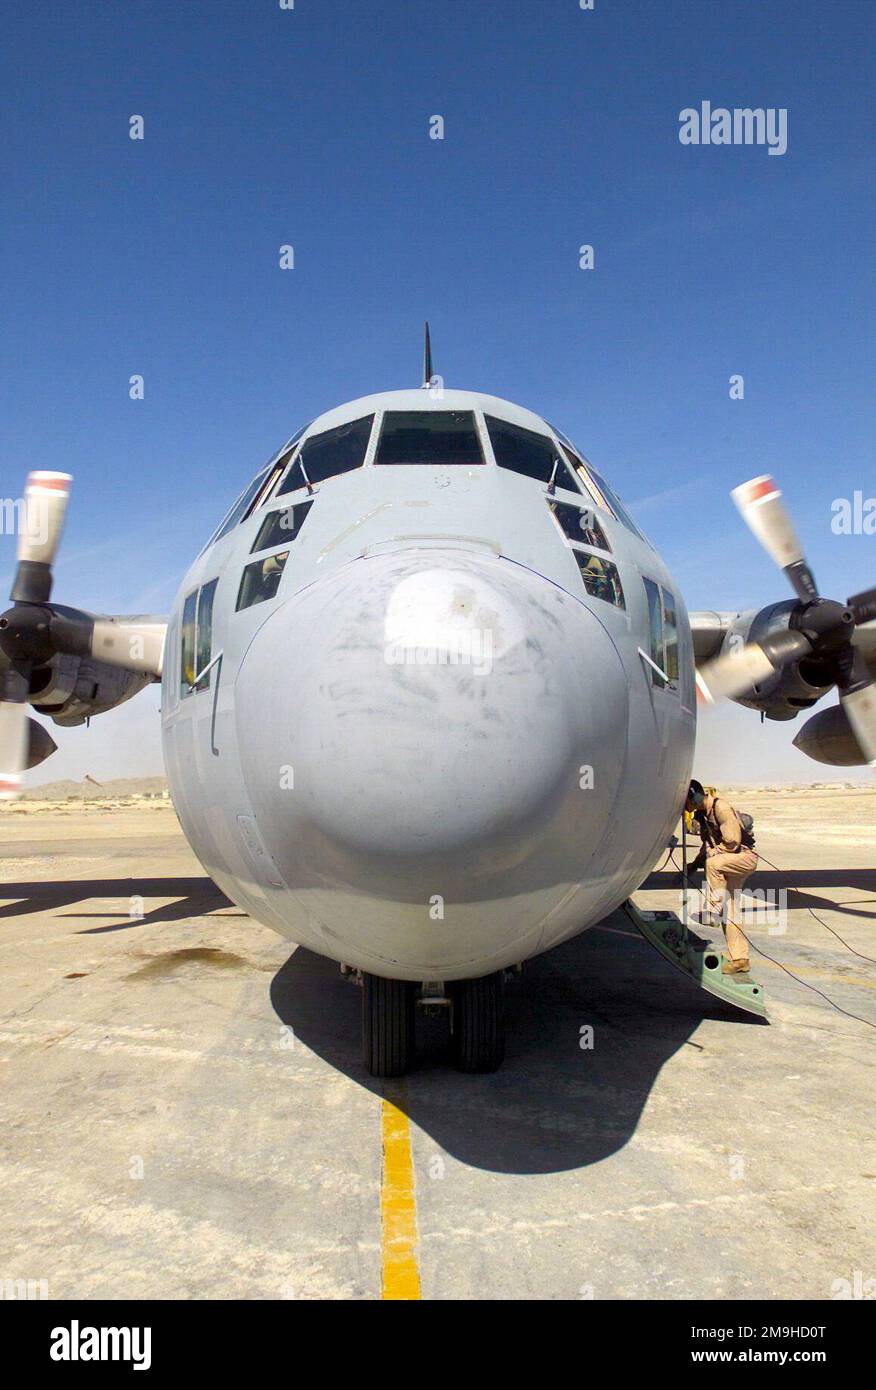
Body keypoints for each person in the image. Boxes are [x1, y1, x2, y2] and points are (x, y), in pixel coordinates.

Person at [683, 779, 758, 975]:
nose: (687, 808)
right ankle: (740, 959)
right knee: (730, 910)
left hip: (743, 857)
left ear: (695, 797)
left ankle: (712, 911)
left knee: (713, 863)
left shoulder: (721, 808)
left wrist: (712, 855)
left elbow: (732, 842)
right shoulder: (704, 815)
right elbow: (707, 847)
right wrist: (693, 865)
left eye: (687, 803)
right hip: (730, 860)